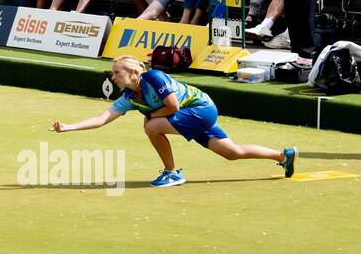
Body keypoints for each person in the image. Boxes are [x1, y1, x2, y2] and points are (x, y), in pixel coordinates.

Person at [51, 56, 296, 187]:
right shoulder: (129, 97)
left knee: (151, 126)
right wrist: (69, 127)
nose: (113, 77)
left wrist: (150, 116)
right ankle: (283, 156)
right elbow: (102, 119)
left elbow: (173, 106)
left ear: (133, 73)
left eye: (117, 72)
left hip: (201, 110)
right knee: (232, 153)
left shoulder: (154, 78)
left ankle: (172, 173)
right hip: (189, 117)